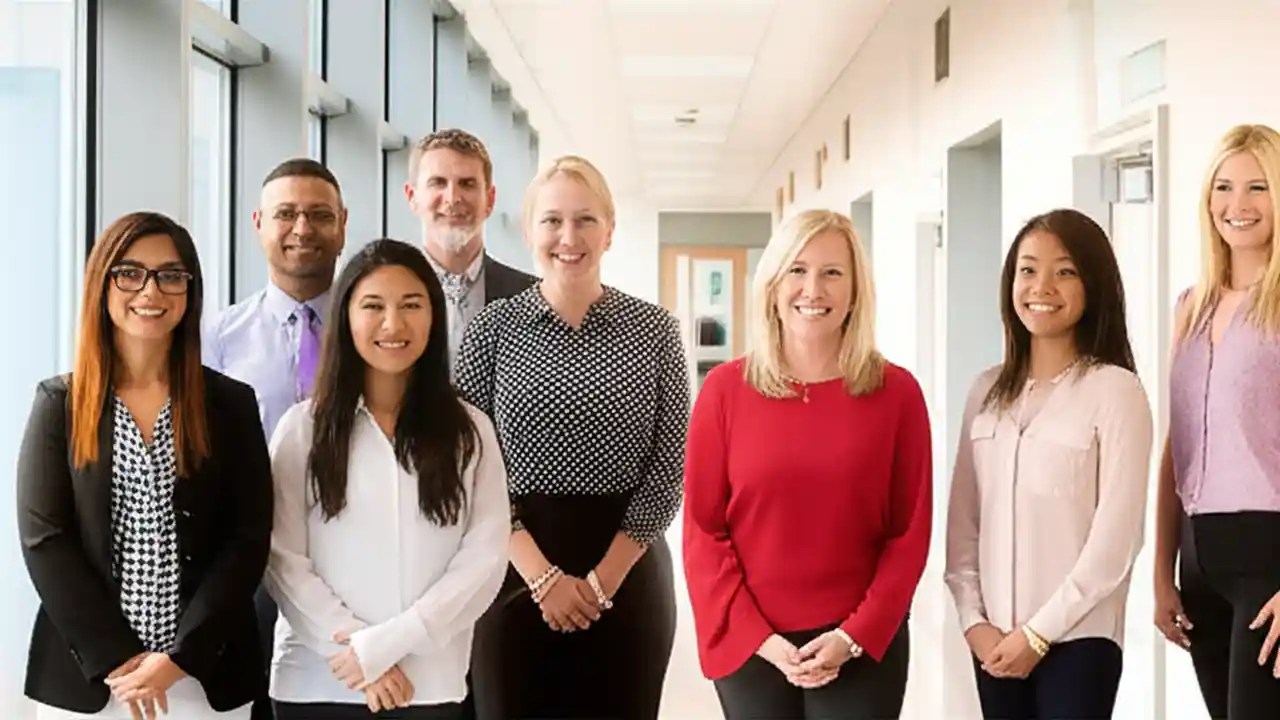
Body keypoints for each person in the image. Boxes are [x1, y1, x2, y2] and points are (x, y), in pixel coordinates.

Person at [455, 155, 689, 719]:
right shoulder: (490, 329)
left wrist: (601, 583)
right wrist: (544, 581)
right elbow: (467, 466)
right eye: (552, 220)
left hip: (627, 576)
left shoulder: (656, 330)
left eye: (585, 220)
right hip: (512, 573)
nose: (568, 237)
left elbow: (667, 468)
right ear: (528, 229)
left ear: (610, 230)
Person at [17, 211, 272, 719]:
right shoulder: (60, 403)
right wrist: (120, 659)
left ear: (190, 290)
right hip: (90, 677)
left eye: (170, 275)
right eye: (130, 273)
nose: (150, 292)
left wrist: (180, 658)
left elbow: (248, 538)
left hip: (203, 675)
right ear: (102, 284)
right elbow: (45, 540)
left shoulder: (231, 405)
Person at [683, 209, 931, 720]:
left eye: (832, 273)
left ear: (856, 289)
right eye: (797, 270)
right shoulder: (724, 393)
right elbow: (703, 532)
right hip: (752, 646)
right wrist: (763, 641)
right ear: (773, 284)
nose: (812, 289)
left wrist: (852, 636)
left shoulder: (898, 394)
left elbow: (909, 534)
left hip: (860, 647)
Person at [265, 239, 509, 719]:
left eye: (411, 306)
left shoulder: (470, 430)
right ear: (345, 316)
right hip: (319, 684)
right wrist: (362, 654)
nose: (393, 324)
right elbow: (282, 559)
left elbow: (485, 557)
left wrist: (385, 645)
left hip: (430, 683)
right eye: (373, 306)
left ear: (434, 316)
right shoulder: (302, 429)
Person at [944, 208, 1153, 720]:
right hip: (992, 639)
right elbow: (963, 524)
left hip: (1079, 639)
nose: (1042, 286)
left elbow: (1117, 540)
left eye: (1065, 271)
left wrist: (1038, 634)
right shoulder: (985, 392)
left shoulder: (1115, 391)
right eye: (1028, 269)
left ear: (1094, 284)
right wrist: (974, 621)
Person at [203, 157, 348, 719]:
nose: (303, 229)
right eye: (286, 214)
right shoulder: (216, 338)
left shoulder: (375, 331)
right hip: (252, 565)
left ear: (343, 223)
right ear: (259, 222)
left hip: (352, 561)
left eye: (318, 215)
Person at [1154, 123, 1280, 720]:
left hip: (1269, 557)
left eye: (1258, 187)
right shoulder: (1190, 306)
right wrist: (1161, 571)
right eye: (1224, 187)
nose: (1239, 204)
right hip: (1197, 559)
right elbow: (1174, 448)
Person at [403, 128, 536, 367]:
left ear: (490, 200)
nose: (453, 197)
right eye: (438, 183)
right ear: (412, 197)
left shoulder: (532, 298)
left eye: (467, 184)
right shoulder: (384, 295)